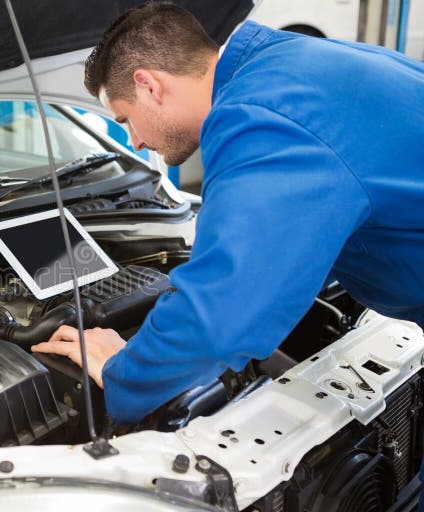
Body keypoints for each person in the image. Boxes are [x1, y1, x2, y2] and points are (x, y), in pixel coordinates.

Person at [31, 2, 424, 426]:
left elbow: (221, 318)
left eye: (126, 120)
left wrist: (124, 370)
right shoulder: (285, 63)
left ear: (149, 85)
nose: (135, 142)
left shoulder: (262, 119)